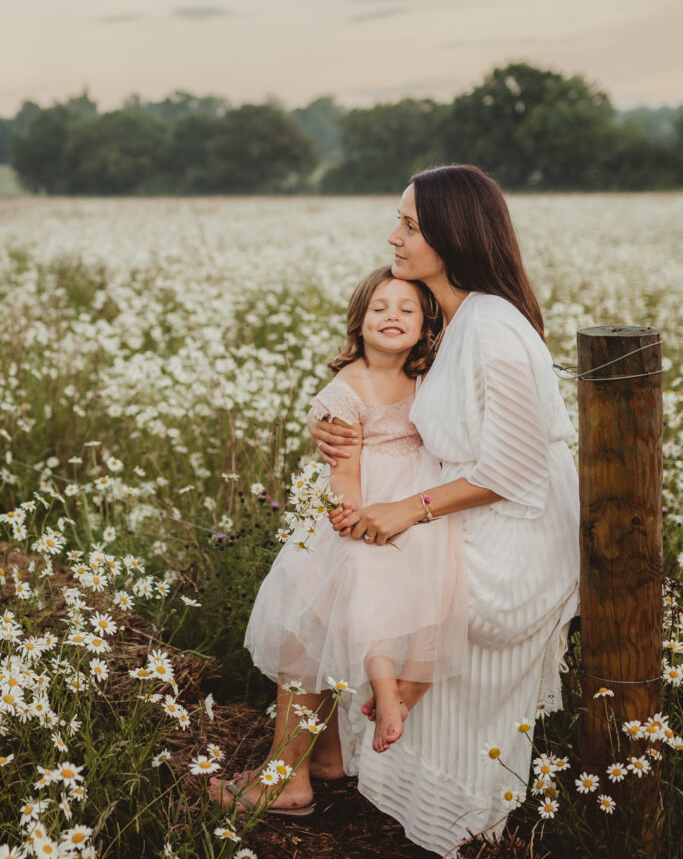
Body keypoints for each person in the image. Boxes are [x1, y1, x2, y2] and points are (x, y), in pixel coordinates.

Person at [312, 165, 580, 855]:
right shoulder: (453, 320)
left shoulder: (490, 326)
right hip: (480, 514)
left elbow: (515, 466)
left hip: (514, 546)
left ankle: (448, 820)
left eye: (409, 223)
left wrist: (407, 510)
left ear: (452, 234)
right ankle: (345, 747)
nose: (394, 235)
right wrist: (339, 430)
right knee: (330, 542)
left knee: (354, 552)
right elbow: (415, 412)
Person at [209, 265, 468, 813]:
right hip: (362, 513)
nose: (392, 316)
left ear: (427, 326)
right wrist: (350, 515)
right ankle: (299, 768)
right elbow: (343, 472)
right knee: (306, 618)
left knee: (329, 617)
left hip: (413, 516)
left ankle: (320, 761)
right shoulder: (345, 388)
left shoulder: (430, 377)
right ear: (358, 322)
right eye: (379, 308)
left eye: (406, 309)